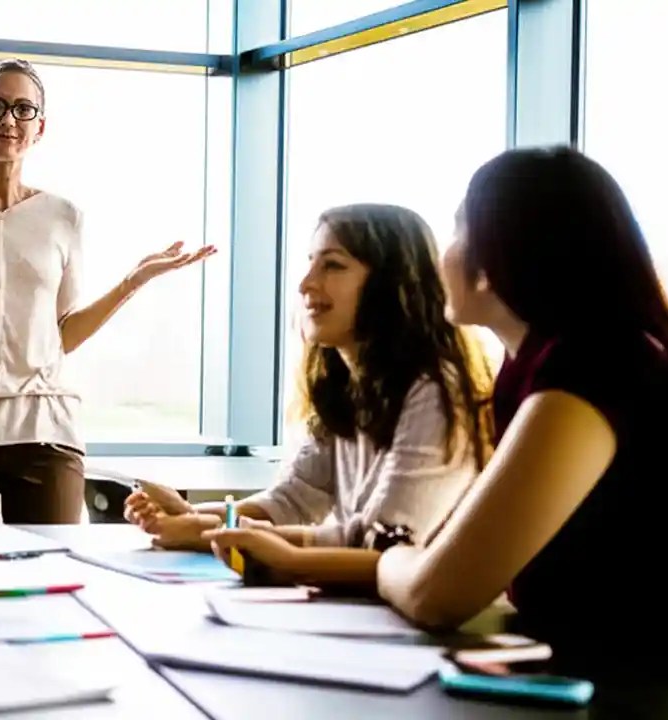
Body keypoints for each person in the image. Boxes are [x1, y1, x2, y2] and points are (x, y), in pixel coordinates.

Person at [206, 147, 668, 663]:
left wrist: (318, 559)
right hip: (580, 663)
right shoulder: (540, 370)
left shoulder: (598, 366)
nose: (443, 257)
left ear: (492, 262)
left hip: (647, 684)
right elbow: (429, 570)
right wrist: (312, 555)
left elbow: (436, 592)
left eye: (457, 233)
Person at [0, 58, 216, 525]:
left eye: (23, 109)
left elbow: (63, 334)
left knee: (56, 575)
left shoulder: (63, 216)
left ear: (40, 127)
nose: (8, 119)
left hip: (45, 430)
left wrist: (133, 281)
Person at [126, 204, 493, 588]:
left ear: (391, 281)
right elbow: (292, 502)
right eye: (311, 263)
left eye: (332, 266)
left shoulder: (434, 392)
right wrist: (191, 515)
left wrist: (209, 532)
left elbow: (382, 539)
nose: (305, 284)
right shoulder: (347, 389)